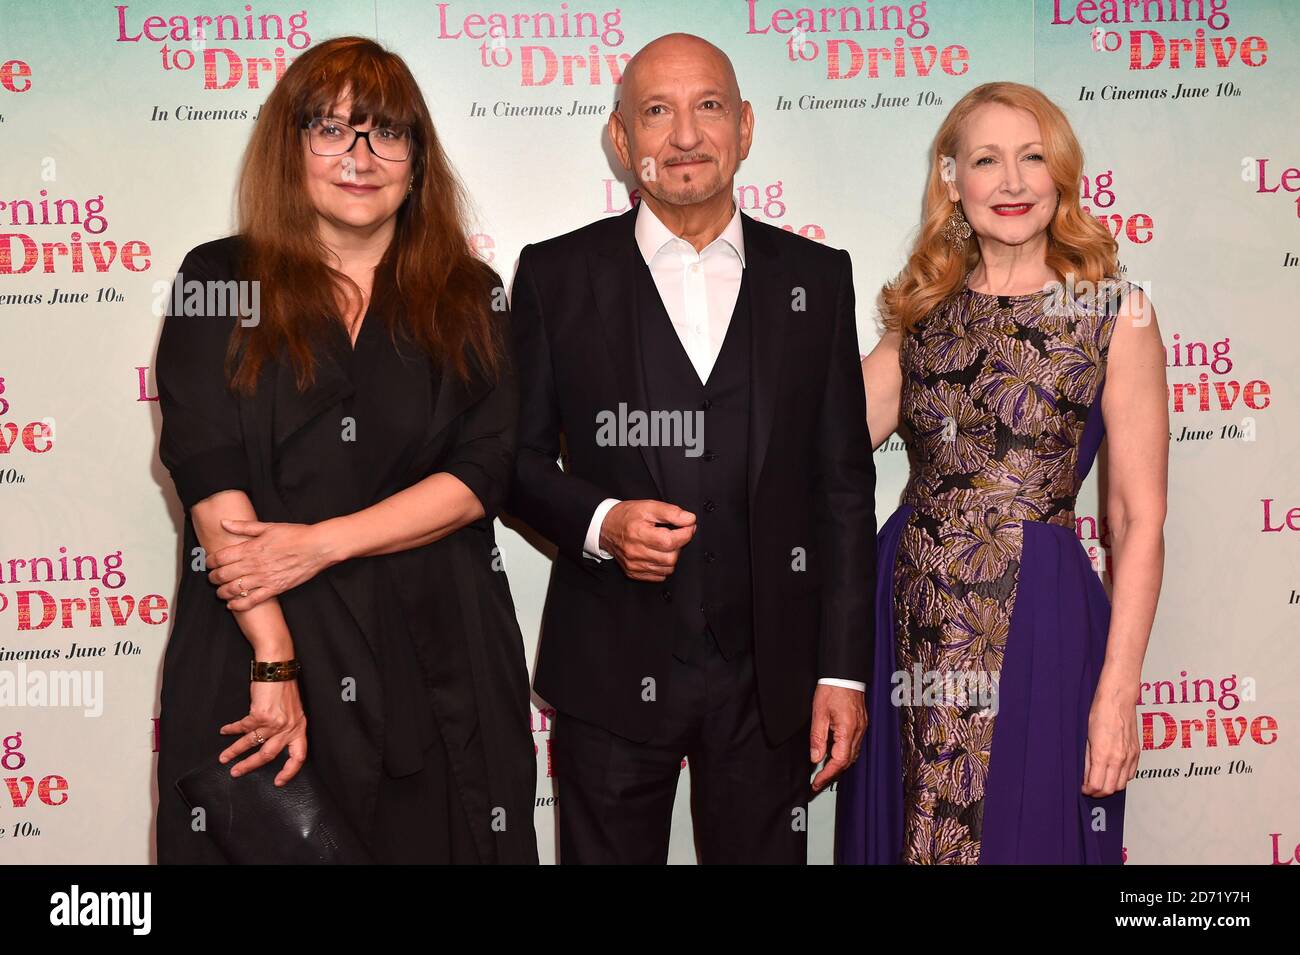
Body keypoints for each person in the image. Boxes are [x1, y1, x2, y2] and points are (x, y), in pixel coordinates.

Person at [153, 36, 536, 864]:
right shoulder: (218, 277)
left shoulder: (473, 296)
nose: (361, 157)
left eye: (386, 133)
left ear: (417, 158)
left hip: (440, 661)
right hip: (258, 640)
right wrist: (274, 660)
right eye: (332, 130)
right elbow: (208, 474)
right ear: (290, 149)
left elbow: (482, 474)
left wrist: (319, 545)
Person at [506, 33, 875, 864]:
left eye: (707, 107)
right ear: (620, 137)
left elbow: (844, 488)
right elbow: (514, 464)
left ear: (745, 126)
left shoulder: (817, 277)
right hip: (607, 671)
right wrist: (601, 522)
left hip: (771, 681)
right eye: (656, 112)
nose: (683, 136)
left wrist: (843, 672)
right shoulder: (554, 277)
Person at [836, 82, 1167, 864]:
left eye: (1032, 158)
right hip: (910, 618)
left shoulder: (1115, 312)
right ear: (954, 179)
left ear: (1061, 174)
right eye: (987, 160)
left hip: (1045, 621)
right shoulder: (922, 315)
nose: (1013, 182)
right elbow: (819, 447)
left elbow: (1135, 520)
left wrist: (1118, 692)